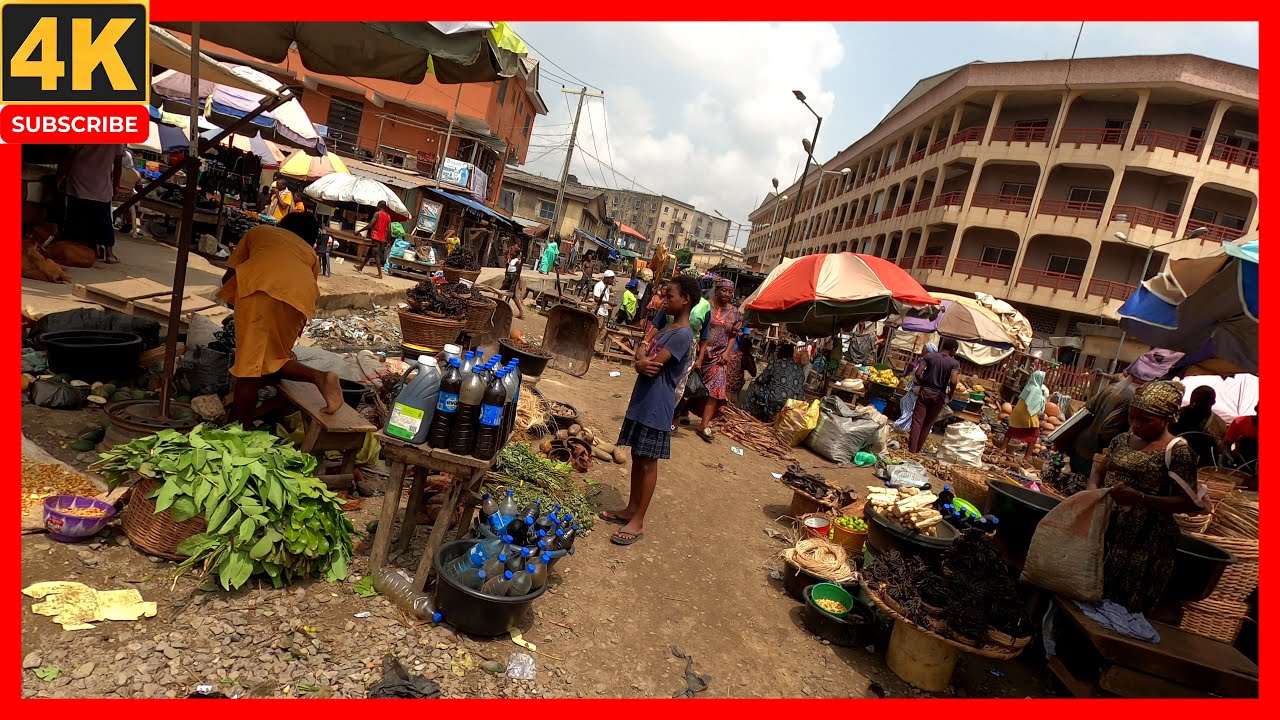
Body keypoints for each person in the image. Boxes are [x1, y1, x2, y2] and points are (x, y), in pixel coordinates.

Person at [599, 275, 700, 547]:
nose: (665, 301)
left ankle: (639, 520)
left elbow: (652, 363)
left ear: (686, 300)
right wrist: (640, 358)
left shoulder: (682, 334)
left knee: (648, 462)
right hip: (644, 400)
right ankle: (631, 508)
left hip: (658, 404)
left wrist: (641, 358)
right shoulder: (668, 328)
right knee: (638, 455)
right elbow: (642, 358)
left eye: (670, 297)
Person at [1086, 381, 1204, 613]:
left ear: (1167, 418)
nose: (1136, 425)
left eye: (1146, 420)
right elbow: (1098, 474)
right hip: (1108, 531)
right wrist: (1092, 495)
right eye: (1132, 417)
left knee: (1121, 607)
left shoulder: (1178, 452)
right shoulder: (1121, 441)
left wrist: (1141, 498)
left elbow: (1189, 502)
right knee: (1088, 594)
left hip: (1144, 544)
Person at [217, 212, 343, 426]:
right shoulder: (310, 255)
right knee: (270, 359)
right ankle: (260, 417)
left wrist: (236, 300)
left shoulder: (259, 232)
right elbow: (304, 295)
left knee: (248, 367)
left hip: (262, 290)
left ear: (281, 224)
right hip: (299, 301)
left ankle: (240, 431)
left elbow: (228, 276)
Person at [687, 278, 744, 442]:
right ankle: (680, 413)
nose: (727, 294)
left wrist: (727, 353)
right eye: (724, 290)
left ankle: (704, 425)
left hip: (719, 357)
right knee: (690, 385)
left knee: (715, 391)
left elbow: (734, 335)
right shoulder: (705, 306)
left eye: (730, 292)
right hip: (698, 352)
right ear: (717, 290)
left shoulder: (735, 313)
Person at [56, 143, 125, 264]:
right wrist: (116, 185)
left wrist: (60, 175)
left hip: (79, 177)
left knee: (78, 217)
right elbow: (118, 162)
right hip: (101, 181)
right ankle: (109, 254)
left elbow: (69, 155)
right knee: (104, 219)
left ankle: (79, 248)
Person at [908, 337, 961, 453]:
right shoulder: (954, 363)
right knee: (927, 424)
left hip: (925, 392)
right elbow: (953, 381)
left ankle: (911, 450)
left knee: (917, 421)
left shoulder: (929, 356)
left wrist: (922, 383)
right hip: (939, 395)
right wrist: (951, 394)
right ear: (953, 350)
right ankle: (917, 450)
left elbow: (918, 372)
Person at [741, 343, 806, 422]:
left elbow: (761, 379)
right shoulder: (799, 368)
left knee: (753, 385)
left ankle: (744, 414)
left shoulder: (776, 363)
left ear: (781, 352)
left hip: (777, 401)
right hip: (794, 404)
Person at [1171, 386, 1229, 467]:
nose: (1193, 404)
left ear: (1212, 402)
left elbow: (1219, 449)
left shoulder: (1218, 425)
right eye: (1192, 400)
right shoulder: (1176, 416)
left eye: (1199, 402)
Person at [999, 370, 1047, 462]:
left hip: (1017, 411)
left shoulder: (1028, 386)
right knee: (1034, 434)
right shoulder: (1036, 390)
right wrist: (1043, 399)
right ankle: (1027, 456)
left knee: (1012, 430)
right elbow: (1033, 404)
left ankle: (1002, 448)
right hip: (1027, 413)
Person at [892, 342, 938, 432]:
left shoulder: (928, 363)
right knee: (905, 403)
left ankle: (905, 426)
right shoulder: (922, 360)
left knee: (911, 408)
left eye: (924, 348)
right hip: (913, 388)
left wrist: (919, 383)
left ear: (928, 351)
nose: (922, 349)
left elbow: (921, 375)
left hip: (918, 388)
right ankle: (906, 426)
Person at [356, 201, 392, 279]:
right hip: (382, 238)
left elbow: (370, 225)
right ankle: (360, 267)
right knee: (370, 253)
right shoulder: (388, 217)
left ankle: (380, 274)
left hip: (376, 236)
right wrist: (389, 240)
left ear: (379, 205)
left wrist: (359, 231)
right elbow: (389, 230)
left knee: (376, 255)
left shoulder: (377, 214)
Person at [725, 330, 757, 406]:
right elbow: (753, 373)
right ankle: (734, 400)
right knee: (743, 380)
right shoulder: (745, 357)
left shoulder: (731, 352)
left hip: (724, 381)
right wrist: (751, 358)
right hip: (732, 386)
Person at [1224, 405, 1258, 470]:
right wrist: (1228, 456)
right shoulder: (1239, 422)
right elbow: (1226, 444)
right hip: (1240, 464)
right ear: (1256, 409)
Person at [501, 242, 526, 320]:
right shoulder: (511, 261)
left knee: (503, 292)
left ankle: (499, 305)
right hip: (509, 277)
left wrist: (517, 282)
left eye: (511, 254)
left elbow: (518, 272)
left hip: (512, 279)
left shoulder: (516, 262)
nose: (509, 256)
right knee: (509, 294)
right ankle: (521, 312)